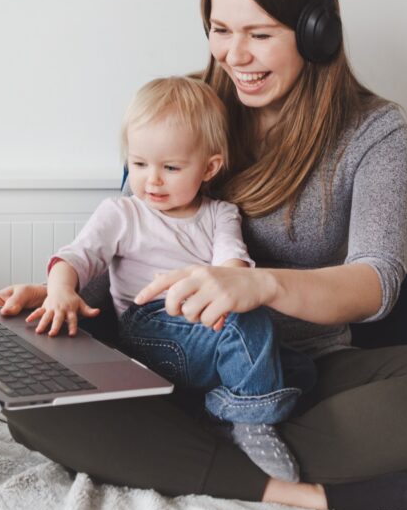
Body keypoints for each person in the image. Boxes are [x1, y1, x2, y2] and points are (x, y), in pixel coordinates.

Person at [0, 0, 407, 510]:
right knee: (28, 397)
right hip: (170, 357)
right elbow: (132, 242)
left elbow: (378, 283)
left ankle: (202, 444)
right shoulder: (183, 111)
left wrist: (261, 285)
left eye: (260, 34)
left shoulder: (374, 132)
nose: (235, 55)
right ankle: (284, 475)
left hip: (304, 369)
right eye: (221, 30)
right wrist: (60, 294)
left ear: (316, 34)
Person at [34, 75, 311, 482]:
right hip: (149, 328)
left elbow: (233, 265)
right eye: (139, 164)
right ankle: (254, 424)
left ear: (209, 167)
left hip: (207, 320)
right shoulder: (123, 213)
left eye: (170, 167)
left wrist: (228, 296)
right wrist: (60, 290)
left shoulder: (222, 214)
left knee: (301, 368)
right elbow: (76, 257)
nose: (152, 180)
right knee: (250, 328)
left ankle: (216, 409)